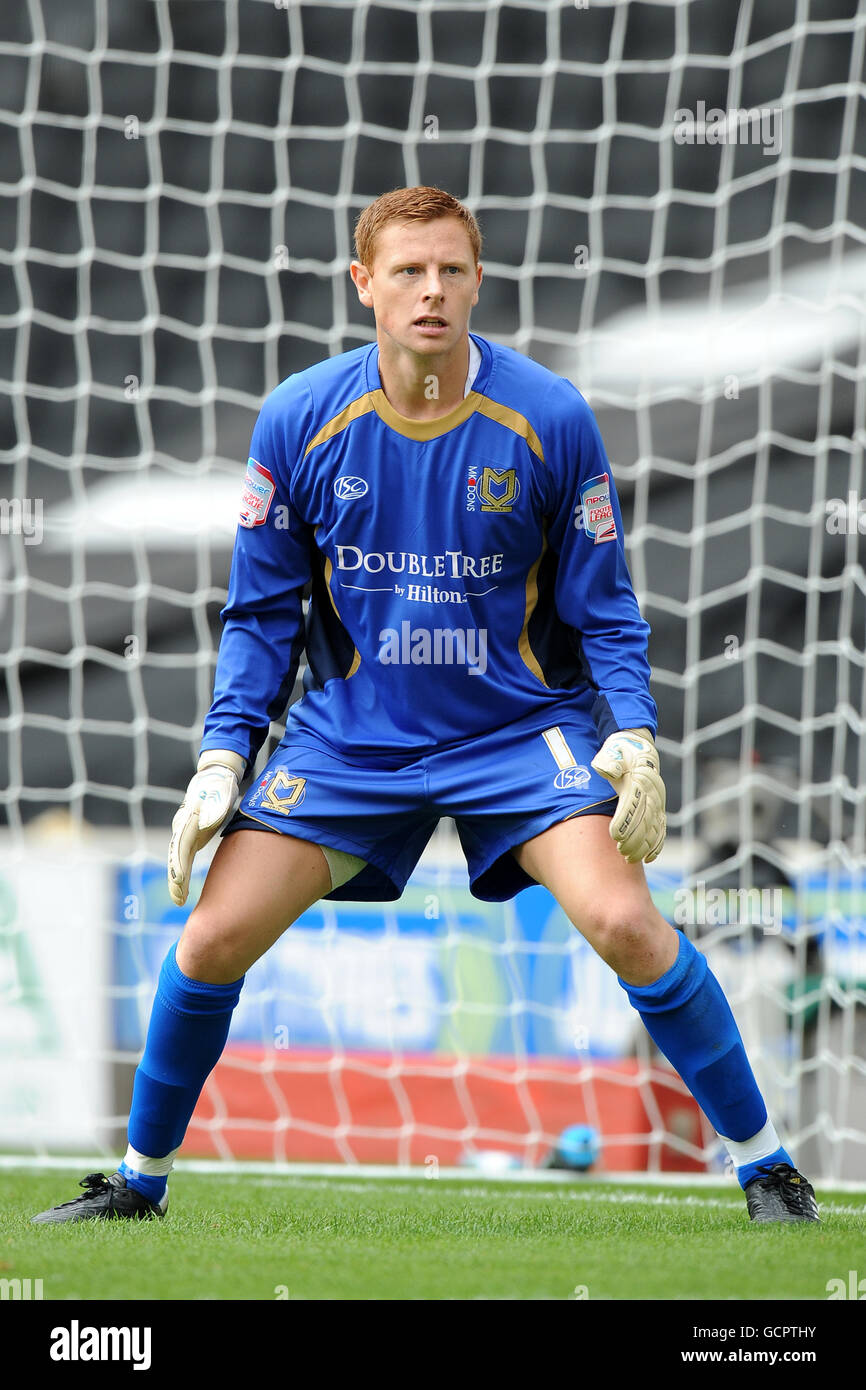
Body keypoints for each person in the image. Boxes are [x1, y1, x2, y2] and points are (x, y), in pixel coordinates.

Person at [33, 186, 817, 1225]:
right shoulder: (300, 417)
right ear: (363, 284)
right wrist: (224, 758)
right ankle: (138, 1181)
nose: (431, 291)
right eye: (406, 270)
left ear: (477, 280)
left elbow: (607, 611)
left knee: (626, 918)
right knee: (209, 938)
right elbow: (262, 614)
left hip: (515, 734)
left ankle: (765, 1169)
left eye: (450, 269)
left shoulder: (547, 416)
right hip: (353, 739)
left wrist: (629, 731)